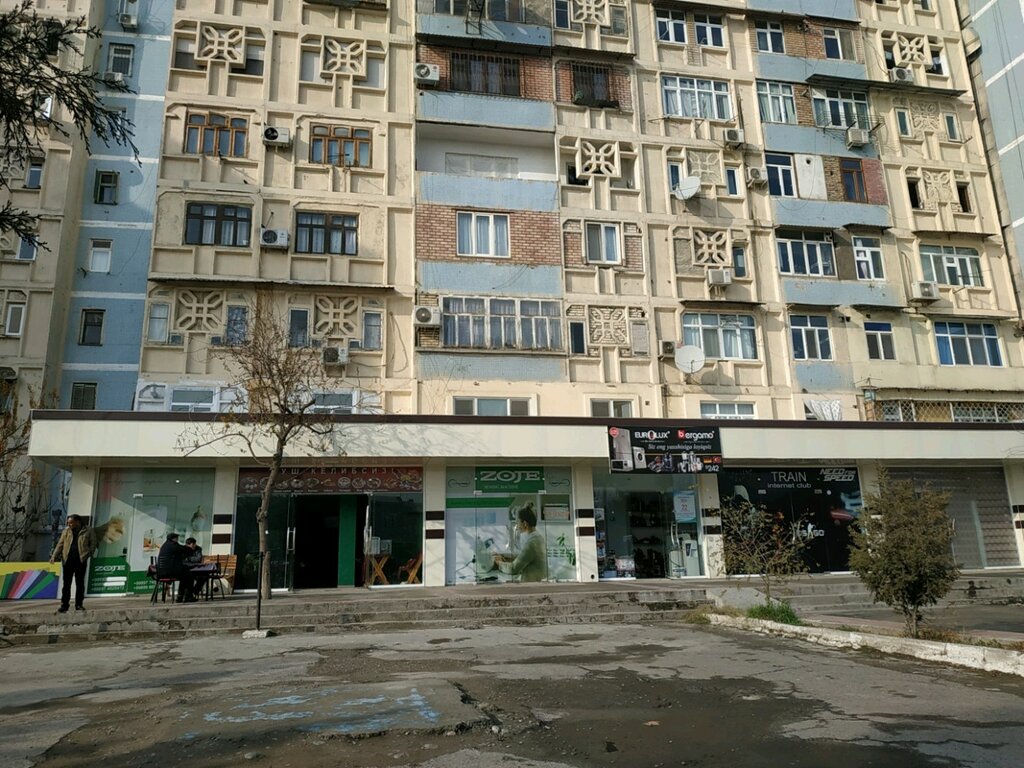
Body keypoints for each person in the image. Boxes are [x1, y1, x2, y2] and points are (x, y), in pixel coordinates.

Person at [49, 514, 96, 613]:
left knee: (80, 583)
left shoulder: (88, 530)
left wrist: (88, 553)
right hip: (68, 560)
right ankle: (64, 605)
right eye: (68, 523)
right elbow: (60, 544)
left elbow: (93, 543)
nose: (69, 525)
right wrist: (54, 556)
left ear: (77, 522)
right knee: (66, 584)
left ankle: (79, 604)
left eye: (71, 523)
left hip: (80, 560)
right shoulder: (66, 531)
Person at [496, 503, 547, 583]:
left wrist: (498, 563)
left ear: (525, 524)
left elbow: (513, 569)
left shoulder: (532, 543)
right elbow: (524, 557)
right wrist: (504, 556)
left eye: (518, 523)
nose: (517, 526)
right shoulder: (538, 538)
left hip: (532, 584)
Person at [156, 532, 195, 603]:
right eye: (176, 538)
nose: (177, 539)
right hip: (170, 572)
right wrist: (190, 547)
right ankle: (187, 596)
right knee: (190, 575)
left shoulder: (164, 546)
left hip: (161, 572)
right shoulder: (173, 545)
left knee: (185, 575)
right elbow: (183, 549)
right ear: (173, 539)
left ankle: (180, 597)